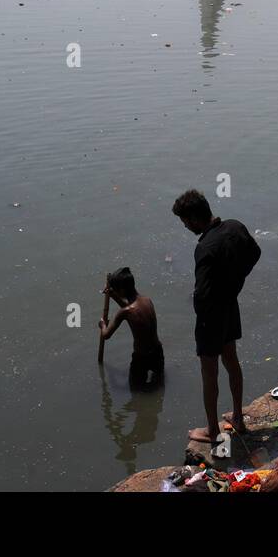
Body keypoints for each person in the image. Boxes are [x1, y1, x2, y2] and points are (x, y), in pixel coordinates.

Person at [171, 189, 261, 444]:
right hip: (230, 306)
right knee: (231, 360)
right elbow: (255, 253)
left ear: (195, 218)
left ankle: (213, 431)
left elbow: (202, 294)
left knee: (209, 372)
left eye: (185, 221)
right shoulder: (235, 227)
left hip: (211, 316)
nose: (185, 226)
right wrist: (236, 281)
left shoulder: (205, 248)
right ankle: (239, 419)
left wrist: (202, 317)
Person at [98, 266, 165, 389]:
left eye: (116, 290)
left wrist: (102, 325)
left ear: (122, 291)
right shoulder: (147, 301)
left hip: (141, 358)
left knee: (135, 390)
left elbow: (106, 335)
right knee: (159, 386)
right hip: (157, 353)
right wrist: (113, 295)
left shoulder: (124, 312)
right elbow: (132, 309)